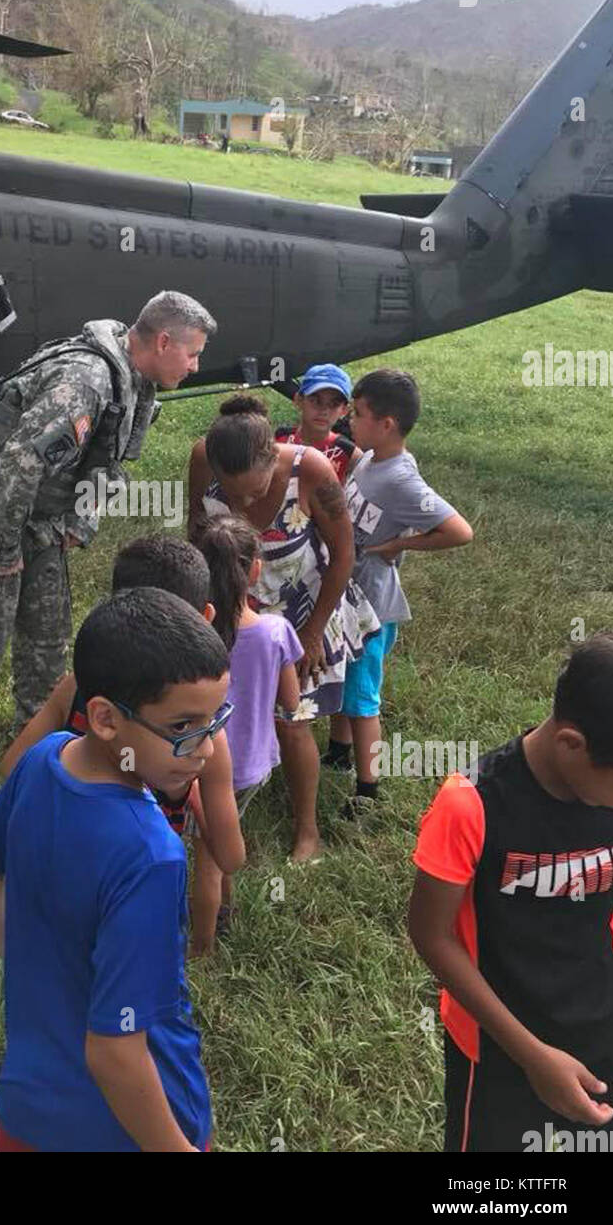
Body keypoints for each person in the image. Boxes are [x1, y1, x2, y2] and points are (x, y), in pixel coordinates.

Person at [0, 291, 217, 815]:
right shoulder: (85, 382)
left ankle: (34, 750)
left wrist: (78, 520)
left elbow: (108, 463)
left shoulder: (132, 381)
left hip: (43, 530)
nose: (196, 365)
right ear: (163, 341)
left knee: (47, 646)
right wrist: (3, 550)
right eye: (192, 353)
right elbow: (18, 468)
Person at [0, 588, 231, 1151]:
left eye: (214, 719)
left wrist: (40, 966)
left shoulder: (43, 757)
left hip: (27, 1116)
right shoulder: (152, 854)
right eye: (183, 726)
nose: (205, 748)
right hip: (128, 1131)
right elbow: (115, 1053)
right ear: (105, 718)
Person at [408, 632, 613, 1153]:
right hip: (501, 1047)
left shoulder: (605, 788)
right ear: (572, 743)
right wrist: (532, 1056)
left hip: (603, 1024)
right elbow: (432, 936)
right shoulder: (471, 805)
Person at [187, 395, 376, 862]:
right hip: (230, 609)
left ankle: (306, 832)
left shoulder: (310, 470)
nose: (241, 503)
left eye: (253, 493)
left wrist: (311, 634)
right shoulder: (201, 456)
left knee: (295, 721)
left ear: (275, 455)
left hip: (303, 610)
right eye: (231, 495)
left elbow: (343, 556)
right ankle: (221, 801)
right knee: (220, 707)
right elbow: (196, 531)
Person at [0, 533, 245, 876]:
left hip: (62, 865)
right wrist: (201, 800)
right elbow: (231, 858)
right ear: (204, 617)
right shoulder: (205, 738)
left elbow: (13, 768)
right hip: (140, 875)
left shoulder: (75, 688)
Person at [338, 369, 473, 820]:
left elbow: (459, 531)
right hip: (349, 597)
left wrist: (399, 544)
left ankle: (366, 792)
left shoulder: (399, 478)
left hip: (371, 609)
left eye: (358, 414)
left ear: (387, 424)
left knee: (361, 698)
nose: (350, 420)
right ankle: (338, 752)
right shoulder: (370, 459)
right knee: (344, 680)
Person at [189, 514, 302, 951]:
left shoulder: (194, 631)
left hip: (200, 765)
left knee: (207, 859)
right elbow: (290, 704)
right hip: (250, 765)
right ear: (255, 567)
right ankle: (213, 931)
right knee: (219, 850)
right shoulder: (276, 631)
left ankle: (203, 943)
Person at [274, 363, 361, 485]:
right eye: (315, 401)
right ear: (298, 400)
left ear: (344, 410)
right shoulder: (280, 438)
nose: (324, 411)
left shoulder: (349, 453)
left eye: (334, 404)